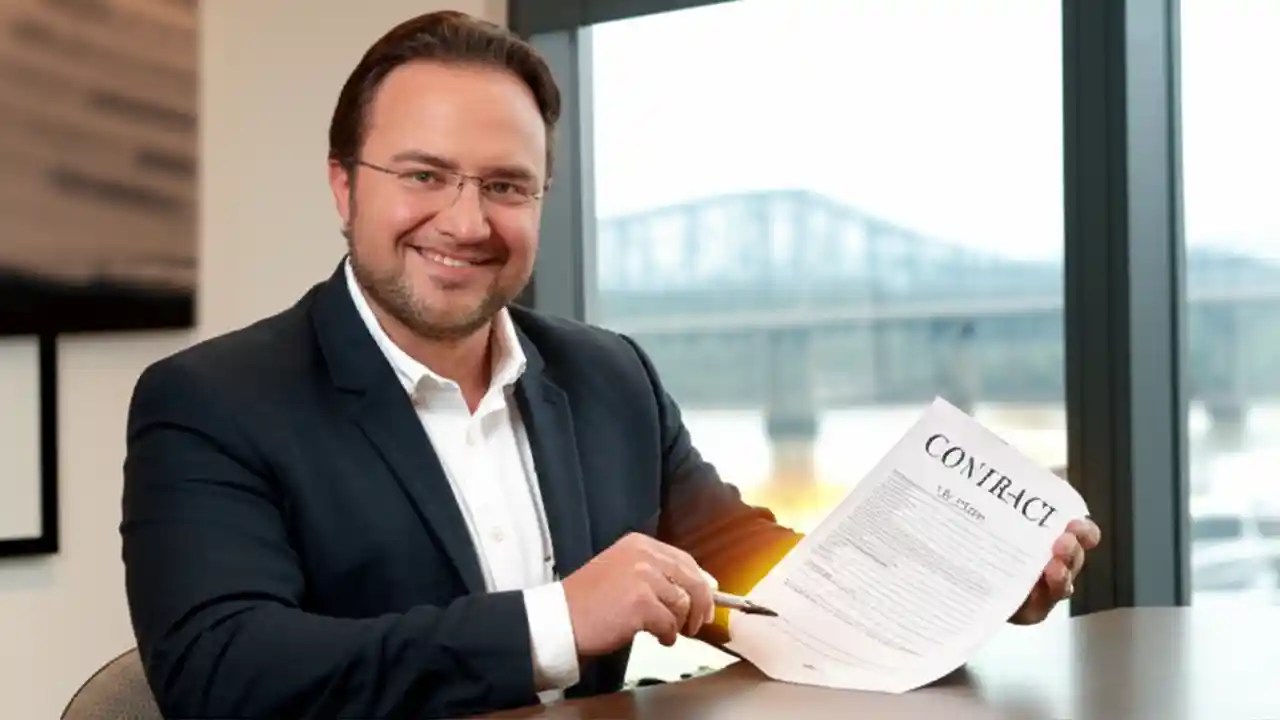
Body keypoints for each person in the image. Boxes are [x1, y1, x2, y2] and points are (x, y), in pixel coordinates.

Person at [120, 10, 1101, 720]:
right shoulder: (209, 402)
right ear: (343, 184)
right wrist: (556, 619)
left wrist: (960, 586)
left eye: (505, 185)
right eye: (423, 176)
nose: (465, 222)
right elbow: (223, 673)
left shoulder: (606, 377)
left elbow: (746, 574)